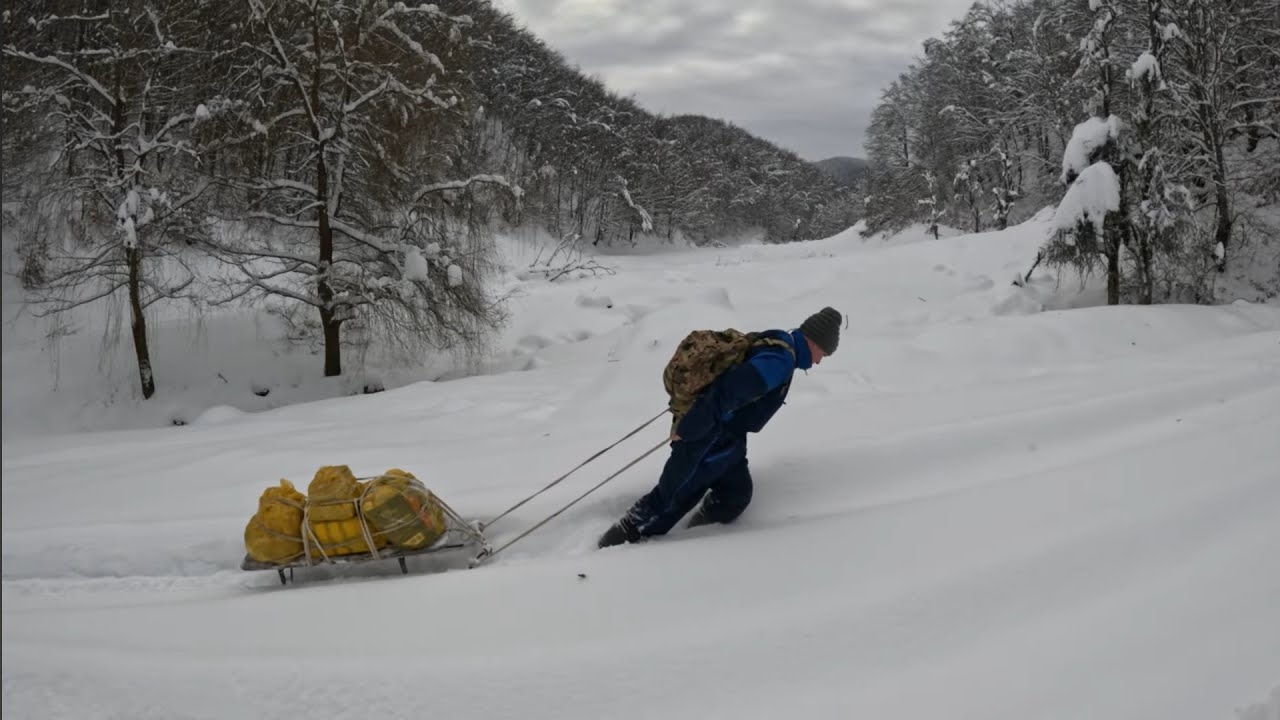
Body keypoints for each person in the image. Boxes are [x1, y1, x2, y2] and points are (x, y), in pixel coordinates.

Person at [597, 307, 842, 548]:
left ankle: (701, 534)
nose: (819, 361)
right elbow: (727, 393)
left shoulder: (781, 341)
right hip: (709, 436)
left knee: (736, 495)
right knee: (670, 500)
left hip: (731, 440)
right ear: (814, 341)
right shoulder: (779, 362)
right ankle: (616, 544)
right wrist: (689, 427)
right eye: (823, 353)